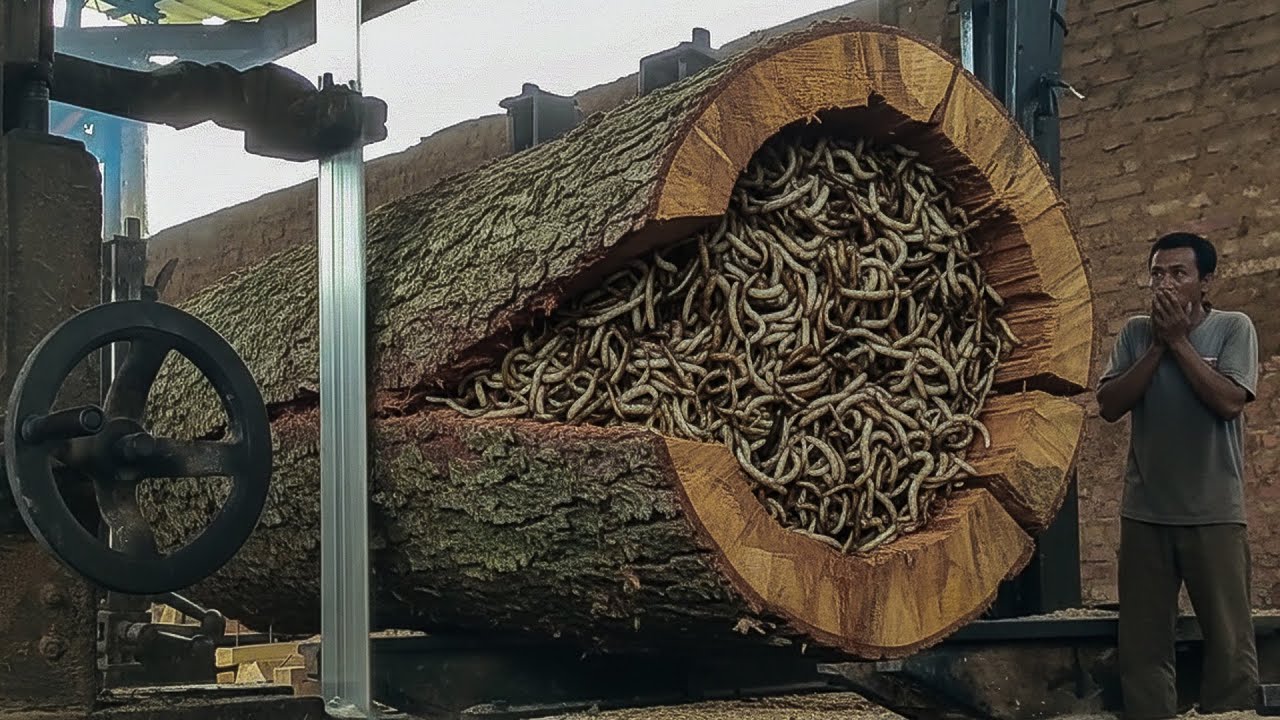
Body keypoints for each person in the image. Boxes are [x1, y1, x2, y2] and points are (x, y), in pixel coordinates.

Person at [1096, 231, 1260, 719]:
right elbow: (1108, 405)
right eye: (1157, 273)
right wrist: (1158, 347)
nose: (1164, 283)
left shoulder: (1234, 328)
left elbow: (1229, 402)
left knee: (1231, 644)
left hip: (1214, 515)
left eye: (1178, 273)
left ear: (1205, 282)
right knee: (1144, 648)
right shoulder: (1134, 333)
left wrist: (1179, 342)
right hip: (1146, 515)